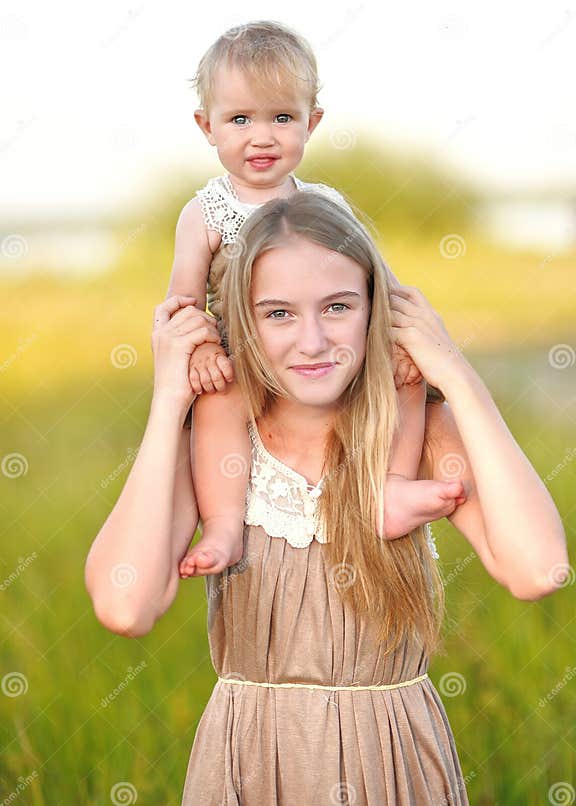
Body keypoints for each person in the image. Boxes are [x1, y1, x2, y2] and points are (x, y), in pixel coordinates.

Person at [85, 191, 568, 805]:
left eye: (337, 307)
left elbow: (539, 569)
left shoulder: (414, 433)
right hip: (252, 765)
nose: (312, 341)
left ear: (375, 311)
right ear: (244, 323)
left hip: (392, 764)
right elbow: (125, 607)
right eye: (279, 314)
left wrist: (456, 375)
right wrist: (168, 402)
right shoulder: (218, 454)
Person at [166, 20, 459, 579]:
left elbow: (378, 282)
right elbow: (182, 303)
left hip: (326, 354)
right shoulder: (205, 213)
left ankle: (390, 486)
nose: (262, 137)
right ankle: (224, 526)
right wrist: (203, 350)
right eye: (239, 119)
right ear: (207, 126)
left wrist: (401, 342)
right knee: (217, 398)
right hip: (249, 361)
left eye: (282, 117)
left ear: (312, 122)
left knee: (405, 378)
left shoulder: (325, 204)